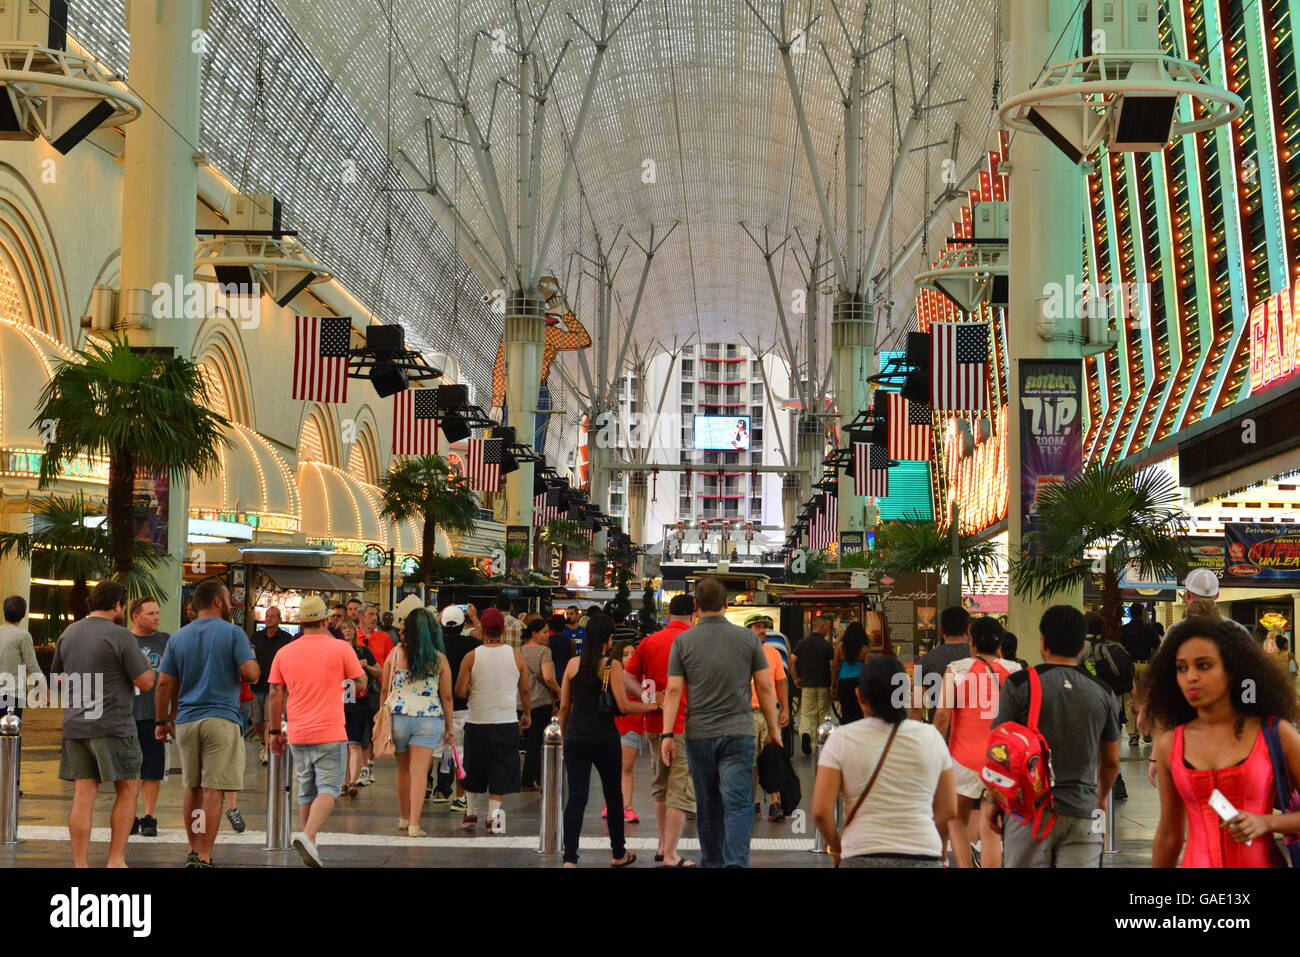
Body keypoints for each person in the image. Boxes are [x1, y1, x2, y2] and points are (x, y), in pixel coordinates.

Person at [1148, 616, 1300, 867]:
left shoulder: (1275, 734)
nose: (1191, 677)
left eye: (1204, 666)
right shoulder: (1170, 744)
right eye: (1182, 668)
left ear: (1232, 671)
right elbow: (1169, 834)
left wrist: (1268, 822)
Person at [985, 605, 1121, 868]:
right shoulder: (1103, 692)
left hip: (1029, 813)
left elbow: (999, 751)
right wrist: (1100, 797)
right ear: (1082, 646)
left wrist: (994, 801)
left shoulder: (1020, 684)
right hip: (1082, 812)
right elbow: (1111, 761)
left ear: (1043, 643)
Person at [660, 577, 780, 868]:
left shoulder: (684, 641)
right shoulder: (748, 639)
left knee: (708, 801)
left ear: (697, 607)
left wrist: (666, 734)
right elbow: (765, 687)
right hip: (739, 732)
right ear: (727, 605)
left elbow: (674, 690)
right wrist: (774, 729)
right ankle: (735, 863)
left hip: (699, 734)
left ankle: (712, 861)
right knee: (738, 803)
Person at [813, 656, 956, 867]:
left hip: (861, 853)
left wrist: (836, 848)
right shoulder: (931, 737)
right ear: (903, 695)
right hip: (922, 852)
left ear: (859, 695)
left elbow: (821, 811)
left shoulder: (842, 738)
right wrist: (940, 847)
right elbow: (948, 809)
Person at [155, 579, 258, 867]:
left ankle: (192, 847)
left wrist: (162, 721)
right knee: (214, 789)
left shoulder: (178, 637)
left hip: (186, 722)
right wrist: (254, 663)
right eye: (227, 598)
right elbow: (250, 674)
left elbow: (164, 683)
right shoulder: (233, 633)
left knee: (192, 787)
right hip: (221, 720)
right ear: (216, 601)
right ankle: (204, 856)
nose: (230, 604)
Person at [50, 581, 154, 868]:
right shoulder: (121, 636)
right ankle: (115, 860)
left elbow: (58, 678)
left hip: (76, 725)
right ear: (117, 605)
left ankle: (80, 864)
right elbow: (145, 683)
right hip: (113, 724)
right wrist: (144, 662)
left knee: (84, 794)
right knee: (128, 788)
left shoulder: (69, 633)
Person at [266, 596, 365, 867]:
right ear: (324, 620)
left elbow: (275, 693)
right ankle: (309, 835)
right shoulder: (341, 648)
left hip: (297, 731)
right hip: (330, 730)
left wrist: (275, 731)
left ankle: (312, 845)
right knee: (330, 788)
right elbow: (360, 683)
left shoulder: (284, 652)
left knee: (306, 790)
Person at [557, 616, 656, 866]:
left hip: (576, 737)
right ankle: (618, 854)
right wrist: (651, 706)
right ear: (608, 639)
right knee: (613, 796)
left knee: (577, 798)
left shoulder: (572, 665)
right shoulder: (611, 666)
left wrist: (565, 735)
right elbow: (622, 706)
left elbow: (565, 707)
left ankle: (569, 859)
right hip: (604, 737)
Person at [934, 616, 1018, 868]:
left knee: (956, 820)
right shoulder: (1015, 671)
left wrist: (934, 747)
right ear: (999, 643)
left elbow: (942, 715)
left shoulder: (957, 669)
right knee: (992, 826)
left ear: (971, 641)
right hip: (1002, 760)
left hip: (964, 758)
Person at [624, 593, 698, 867]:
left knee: (661, 785)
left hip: (655, 724)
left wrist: (647, 698)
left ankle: (660, 844)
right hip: (684, 724)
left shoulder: (649, 641)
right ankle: (670, 853)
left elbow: (627, 676)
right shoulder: (694, 641)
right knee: (679, 788)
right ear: (693, 612)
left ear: (669, 613)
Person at [455, 607, 530, 832]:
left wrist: (473, 690)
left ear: (482, 629)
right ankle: (493, 819)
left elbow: (460, 690)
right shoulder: (516, 655)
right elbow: (525, 691)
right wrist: (526, 713)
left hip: (477, 719)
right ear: (504, 628)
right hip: (506, 721)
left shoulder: (472, 656)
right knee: (501, 767)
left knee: (473, 765)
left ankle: (470, 814)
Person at [384, 607, 454, 837]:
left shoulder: (395, 653)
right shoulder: (439, 658)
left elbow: (385, 688)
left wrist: (382, 715)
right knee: (419, 772)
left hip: (398, 716)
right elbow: (446, 697)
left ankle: (403, 818)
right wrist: (449, 727)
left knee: (403, 769)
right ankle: (415, 824)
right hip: (428, 718)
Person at [127, 596, 169, 838]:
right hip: (126, 714)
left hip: (154, 715)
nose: (156, 617)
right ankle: (128, 814)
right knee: (127, 769)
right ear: (136, 616)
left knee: (152, 769)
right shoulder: (124, 640)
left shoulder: (166, 641)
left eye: (157, 613)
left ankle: (149, 816)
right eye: (151, 613)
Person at [438, 604, 481, 809]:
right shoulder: (471, 644)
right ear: (463, 624)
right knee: (460, 752)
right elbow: (485, 637)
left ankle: (428, 790)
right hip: (463, 705)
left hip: (437, 706)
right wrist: (475, 618)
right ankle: (461, 795)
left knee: (435, 751)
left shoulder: (435, 645)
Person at [747, 614, 788, 821]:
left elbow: (781, 683)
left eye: (764, 627)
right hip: (748, 714)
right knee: (751, 761)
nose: (762, 631)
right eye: (758, 627)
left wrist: (786, 710)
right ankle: (753, 803)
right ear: (749, 630)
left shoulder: (773, 654)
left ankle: (775, 802)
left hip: (770, 713)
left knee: (772, 757)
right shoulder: (742, 655)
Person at [338, 619, 380, 796]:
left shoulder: (363, 651)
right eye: (344, 628)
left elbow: (380, 671)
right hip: (338, 703)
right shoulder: (335, 652)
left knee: (354, 744)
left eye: (350, 628)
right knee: (341, 745)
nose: (347, 631)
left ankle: (353, 782)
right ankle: (343, 781)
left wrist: (367, 666)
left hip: (359, 704)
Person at [520, 615, 560, 790]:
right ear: (534, 634)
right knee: (536, 743)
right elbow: (549, 678)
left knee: (529, 742)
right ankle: (528, 780)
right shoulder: (545, 651)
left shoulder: (519, 651)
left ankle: (534, 778)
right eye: (544, 632)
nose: (547, 635)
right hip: (540, 702)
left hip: (520, 702)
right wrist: (560, 691)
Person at [356, 604, 394, 787]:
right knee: (361, 728)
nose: (374, 617)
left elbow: (390, 663)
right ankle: (364, 766)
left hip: (378, 689)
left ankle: (370, 763)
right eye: (370, 614)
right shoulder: (354, 637)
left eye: (375, 614)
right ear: (360, 617)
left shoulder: (384, 638)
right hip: (357, 689)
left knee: (373, 727)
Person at [250, 606, 291, 764]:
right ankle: (264, 741)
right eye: (267, 616)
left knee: (269, 719)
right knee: (257, 722)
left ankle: (268, 749)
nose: (269, 618)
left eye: (273, 616)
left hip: (276, 684)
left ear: (279, 619)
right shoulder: (256, 637)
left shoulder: (286, 638)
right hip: (257, 684)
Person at [916, 607, 972, 719]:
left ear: (941, 630)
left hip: (939, 732)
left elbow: (916, 706)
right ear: (967, 630)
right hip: (973, 732)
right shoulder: (979, 658)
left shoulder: (925, 661)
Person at [611, 639, 644, 823]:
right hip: (614, 722)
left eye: (633, 653)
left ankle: (626, 805)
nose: (630, 657)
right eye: (625, 654)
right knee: (615, 765)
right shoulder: (611, 675)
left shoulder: (640, 676)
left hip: (633, 722)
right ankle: (614, 803)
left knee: (627, 766)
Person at [791, 615, 834, 755]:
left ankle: (806, 735)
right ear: (821, 627)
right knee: (823, 714)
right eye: (827, 627)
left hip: (808, 685)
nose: (829, 629)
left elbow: (792, 660)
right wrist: (833, 685)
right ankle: (820, 742)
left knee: (807, 714)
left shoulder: (803, 643)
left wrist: (796, 678)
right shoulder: (827, 646)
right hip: (824, 685)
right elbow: (832, 667)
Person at [1120, 602, 1160, 747]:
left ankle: (1133, 734)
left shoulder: (1124, 630)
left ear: (1130, 613)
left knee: (1131, 700)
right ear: (1142, 613)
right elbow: (1157, 648)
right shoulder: (1149, 629)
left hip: (1129, 666)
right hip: (1146, 665)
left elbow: (1120, 649)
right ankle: (1147, 729)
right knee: (1147, 699)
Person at [0, 595, 41, 719]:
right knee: (10, 734)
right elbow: (33, 666)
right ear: (23, 614)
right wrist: (45, 689)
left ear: (4, 611)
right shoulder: (23, 636)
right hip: (13, 694)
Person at [831, 622, 870, 723]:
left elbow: (835, 666)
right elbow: (867, 669)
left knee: (846, 710)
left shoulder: (840, 646)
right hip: (859, 682)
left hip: (844, 682)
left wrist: (833, 684)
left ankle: (846, 730)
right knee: (858, 711)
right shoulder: (865, 649)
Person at [547, 613, 575, 689]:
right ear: (564, 626)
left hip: (551, 673)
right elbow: (572, 660)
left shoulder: (547, 642)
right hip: (565, 674)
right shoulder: (571, 642)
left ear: (551, 627)